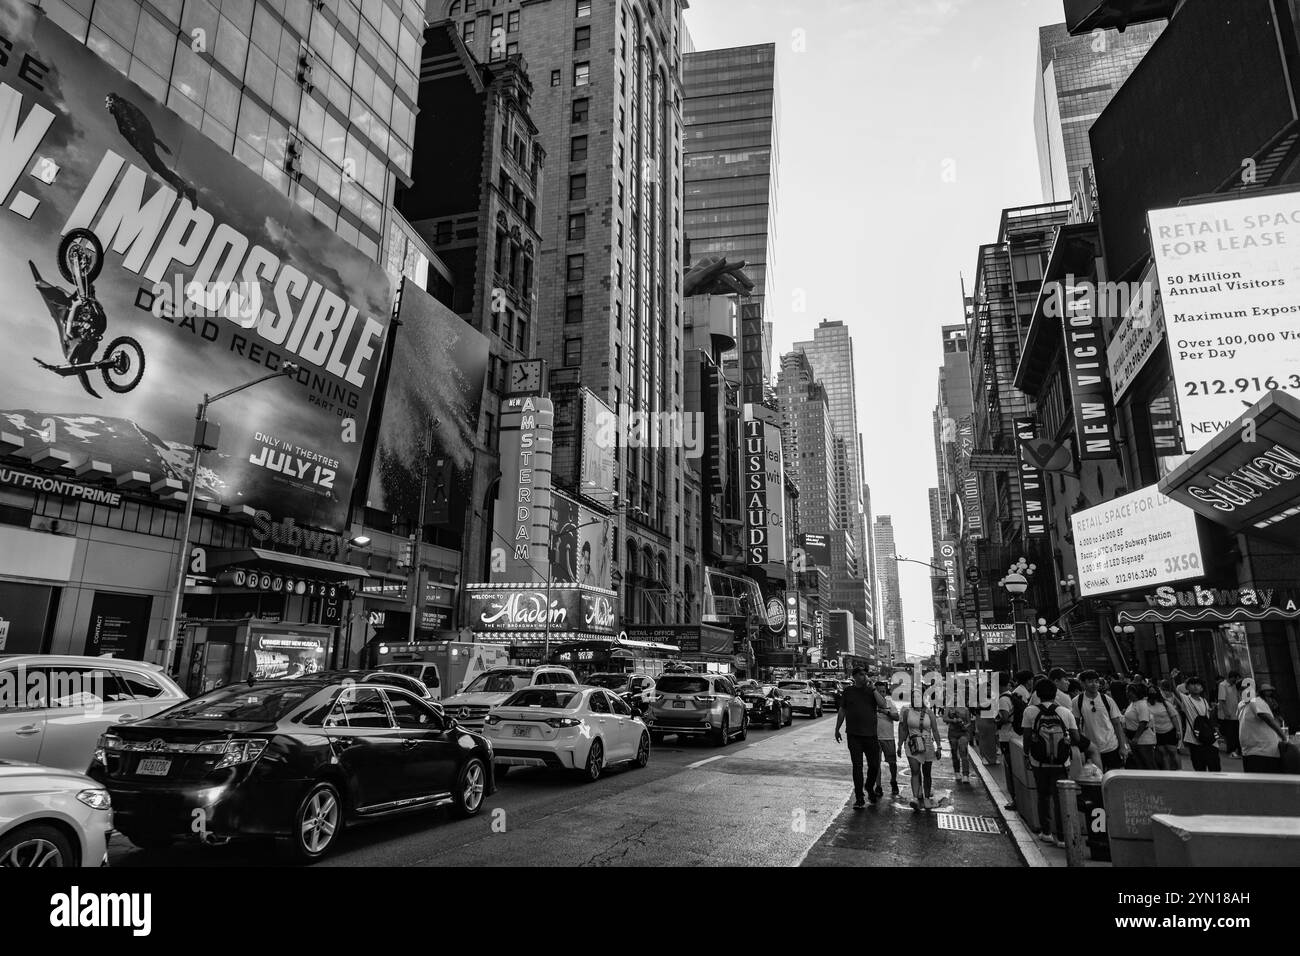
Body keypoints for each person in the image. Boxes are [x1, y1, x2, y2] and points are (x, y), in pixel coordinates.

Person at [1022, 677, 1082, 848]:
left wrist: (1027, 754)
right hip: (1062, 763)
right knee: (1060, 797)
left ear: (1037, 694)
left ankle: (1046, 832)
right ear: (1055, 694)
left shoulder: (1030, 712)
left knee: (1043, 795)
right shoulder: (1065, 712)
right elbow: (1075, 736)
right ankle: (1062, 837)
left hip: (1039, 762)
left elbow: (1027, 736)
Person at [834, 668, 888, 808]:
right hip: (853, 735)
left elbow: (883, 704)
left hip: (870, 735)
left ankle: (869, 787)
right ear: (855, 677)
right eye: (861, 675)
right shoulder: (848, 691)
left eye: (865, 675)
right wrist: (837, 729)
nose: (864, 677)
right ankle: (859, 797)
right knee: (857, 767)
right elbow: (842, 710)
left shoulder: (871, 691)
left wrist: (874, 689)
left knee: (874, 765)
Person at [1072, 669, 1127, 773]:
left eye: (1096, 681)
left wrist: (1123, 746)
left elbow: (1117, 724)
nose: (1094, 684)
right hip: (1091, 748)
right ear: (1083, 683)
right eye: (1090, 681)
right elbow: (1075, 726)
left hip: (1111, 746)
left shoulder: (1107, 700)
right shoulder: (1077, 701)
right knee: (1096, 779)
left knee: (1114, 777)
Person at [899, 692, 943, 810]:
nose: (915, 699)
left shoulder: (929, 713)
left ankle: (927, 797)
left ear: (923, 698)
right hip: (912, 745)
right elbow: (903, 730)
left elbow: (935, 730)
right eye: (913, 697)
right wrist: (899, 745)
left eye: (918, 696)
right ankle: (915, 798)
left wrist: (939, 746)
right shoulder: (907, 712)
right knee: (915, 770)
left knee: (927, 773)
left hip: (927, 745)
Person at [996, 670, 1032, 811]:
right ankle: (1020, 799)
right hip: (1017, 736)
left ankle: (1015, 800)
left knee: (1010, 769)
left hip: (1007, 737)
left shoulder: (1003, 699)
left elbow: (1004, 717)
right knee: (1017, 768)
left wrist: (996, 721)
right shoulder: (1012, 695)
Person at [1171, 672, 1221, 772]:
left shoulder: (1204, 701)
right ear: (1187, 688)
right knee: (1199, 767)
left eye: (1198, 684)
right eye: (1192, 684)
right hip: (1195, 739)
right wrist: (1172, 679)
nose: (1195, 687)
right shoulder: (1186, 699)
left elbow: (1208, 718)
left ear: (1202, 688)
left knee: (1215, 767)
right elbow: (1174, 690)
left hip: (1209, 738)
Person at [1238, 677, 1287, 774]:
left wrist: (1284, 737)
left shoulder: (1256, 701)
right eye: (1241, 690)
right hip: (1253, 752)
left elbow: (1269, 719)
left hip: (1263, 752)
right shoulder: (1244, 704)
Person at [873, 679, 901, 798]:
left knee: (892, 763)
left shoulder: (889, 703)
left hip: (888, 738)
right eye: (879, 692)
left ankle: (893, 781)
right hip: (874, 738)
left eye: (883, 691)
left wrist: (885, 712)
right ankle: (878, 786)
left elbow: (897, 717)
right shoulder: (871, 703)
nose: (882, 694)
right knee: (875, 764)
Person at [1122, 682, 1157, 769]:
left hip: (1143, 739)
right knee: (1139, 764)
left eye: (1128, 691)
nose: (1126, 692)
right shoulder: (1133, 703)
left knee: (1148, 763)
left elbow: (1143, 722)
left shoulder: (1142, 704)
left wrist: (1136, 737)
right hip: (1133, 738)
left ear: (1135, 692)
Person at [1151, 680, 1183, 771]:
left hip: (1169, 728)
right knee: (1167, 752)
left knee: (1170, 752)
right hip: (1159, 730)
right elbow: (1180, 705)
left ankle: (1176, 770)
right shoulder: (1170, 694)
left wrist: (1177, 730)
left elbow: (1173, 716)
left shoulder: (1165, 702)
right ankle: (1172, 771)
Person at [945, 700, 973, 783]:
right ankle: (957, 772)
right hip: (952, 733)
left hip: (963, 733)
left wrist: (965, 726)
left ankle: (965, 774)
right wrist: (954, 720)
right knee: (954, 752)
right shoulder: (949, 708)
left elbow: (969, 722)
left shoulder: (965, 709)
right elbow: (944, 718)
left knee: (963, 751)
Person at [1218, 671, 1242, 757]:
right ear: (1231, 677)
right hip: (1228, 714)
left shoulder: (1235, 685)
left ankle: (1238, 750)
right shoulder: (1222, 685)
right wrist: (1226, 713)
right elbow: (1222, 700)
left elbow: (1238, 697)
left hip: (1236, 713)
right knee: (1230, 734)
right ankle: (1231, 751)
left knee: (1237, 733)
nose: (1236, 680)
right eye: (1235, 678)